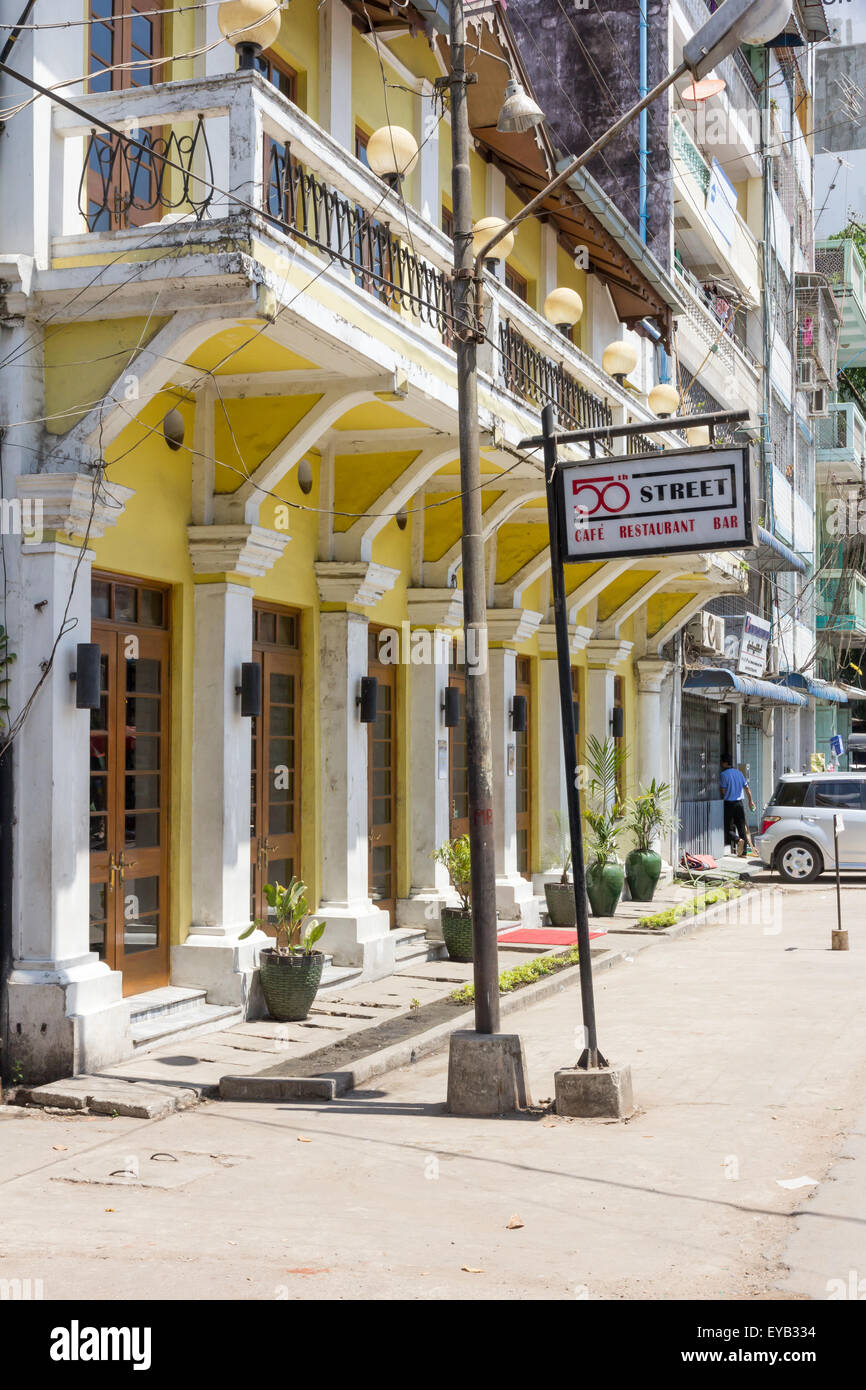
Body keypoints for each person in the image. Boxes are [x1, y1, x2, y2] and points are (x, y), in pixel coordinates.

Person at [720, 757, 756, 857]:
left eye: (721, 763)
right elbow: (747, 788)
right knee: (741, 828)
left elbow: (723, 791)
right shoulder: (739, 773)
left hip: (729, 804)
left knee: (726, 829)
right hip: (739, 804)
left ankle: (737, 840)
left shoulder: (723, 775)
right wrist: (750, 801)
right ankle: (743, 853)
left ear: (725, 763)